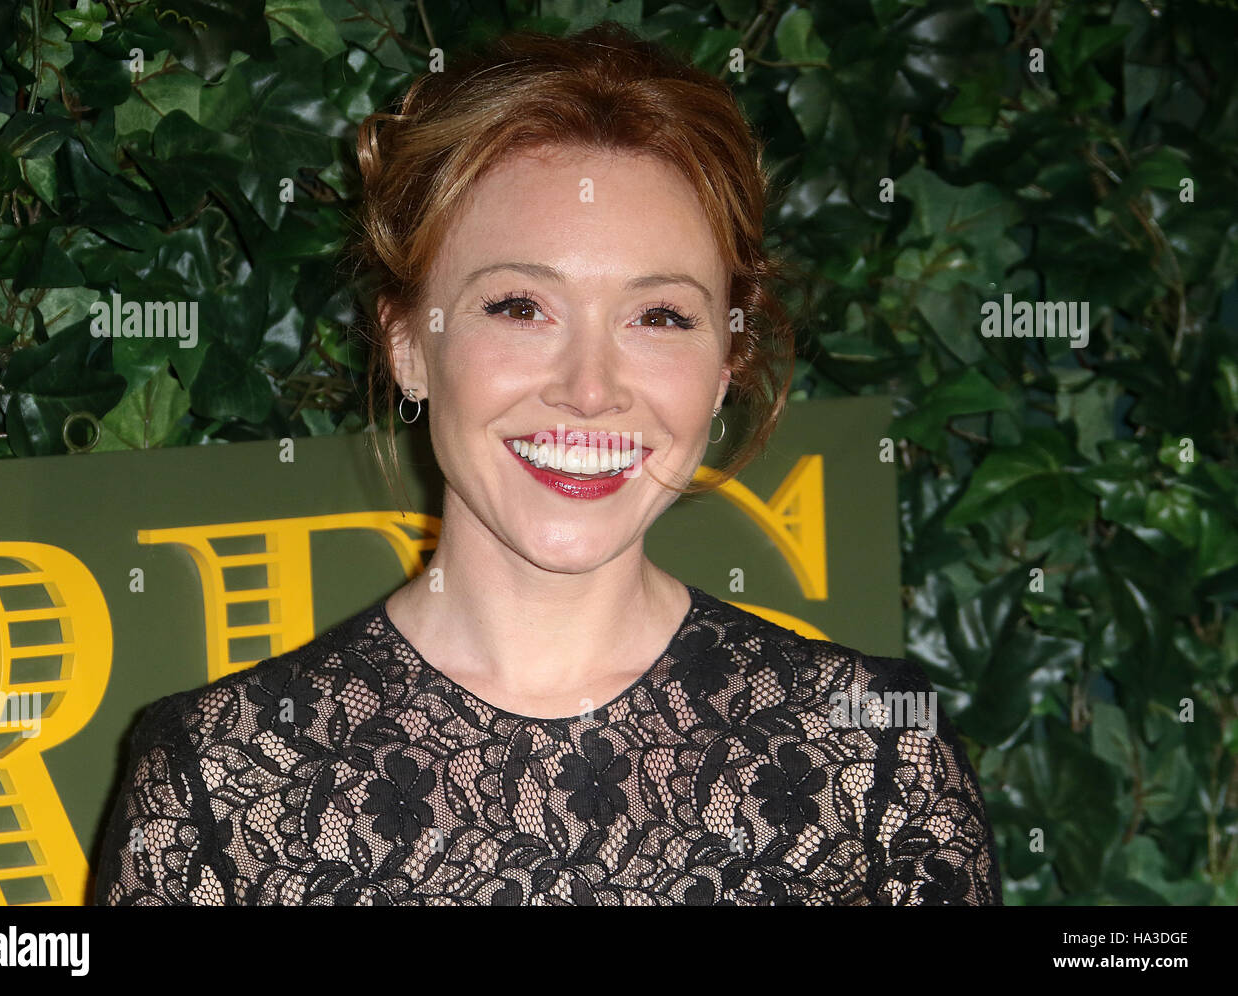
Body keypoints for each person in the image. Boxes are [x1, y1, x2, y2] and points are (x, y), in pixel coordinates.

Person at [94, 21, 1001, 905]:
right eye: (521, 306)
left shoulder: (879, 754)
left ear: (725, 366)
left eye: (660, 317)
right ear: (408, 343)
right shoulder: (217, 779)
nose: (591, 388)